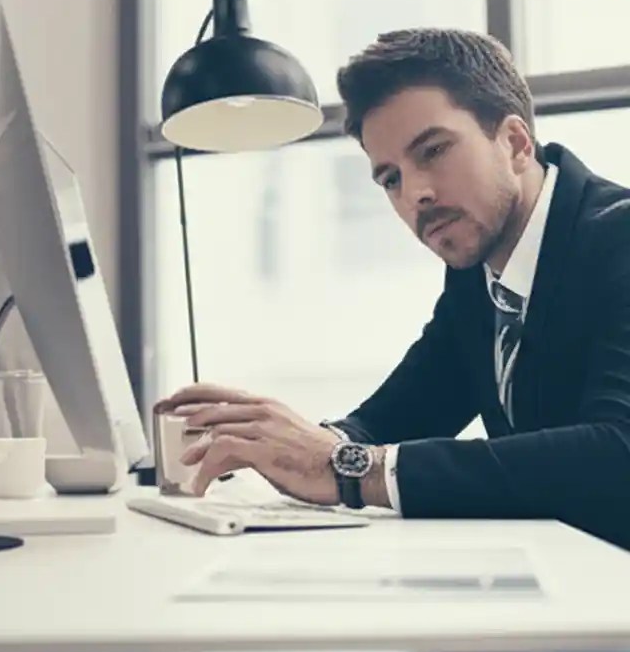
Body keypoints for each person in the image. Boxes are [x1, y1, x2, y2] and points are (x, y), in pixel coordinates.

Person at [153, 27, 630, 549]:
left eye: (433, 150)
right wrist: (284, 445)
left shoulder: (618, 237)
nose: (415, 194)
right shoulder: (478, 270)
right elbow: (401, 414)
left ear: (515, 143)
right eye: (390, 178)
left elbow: (618, 454)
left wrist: (347, 468)